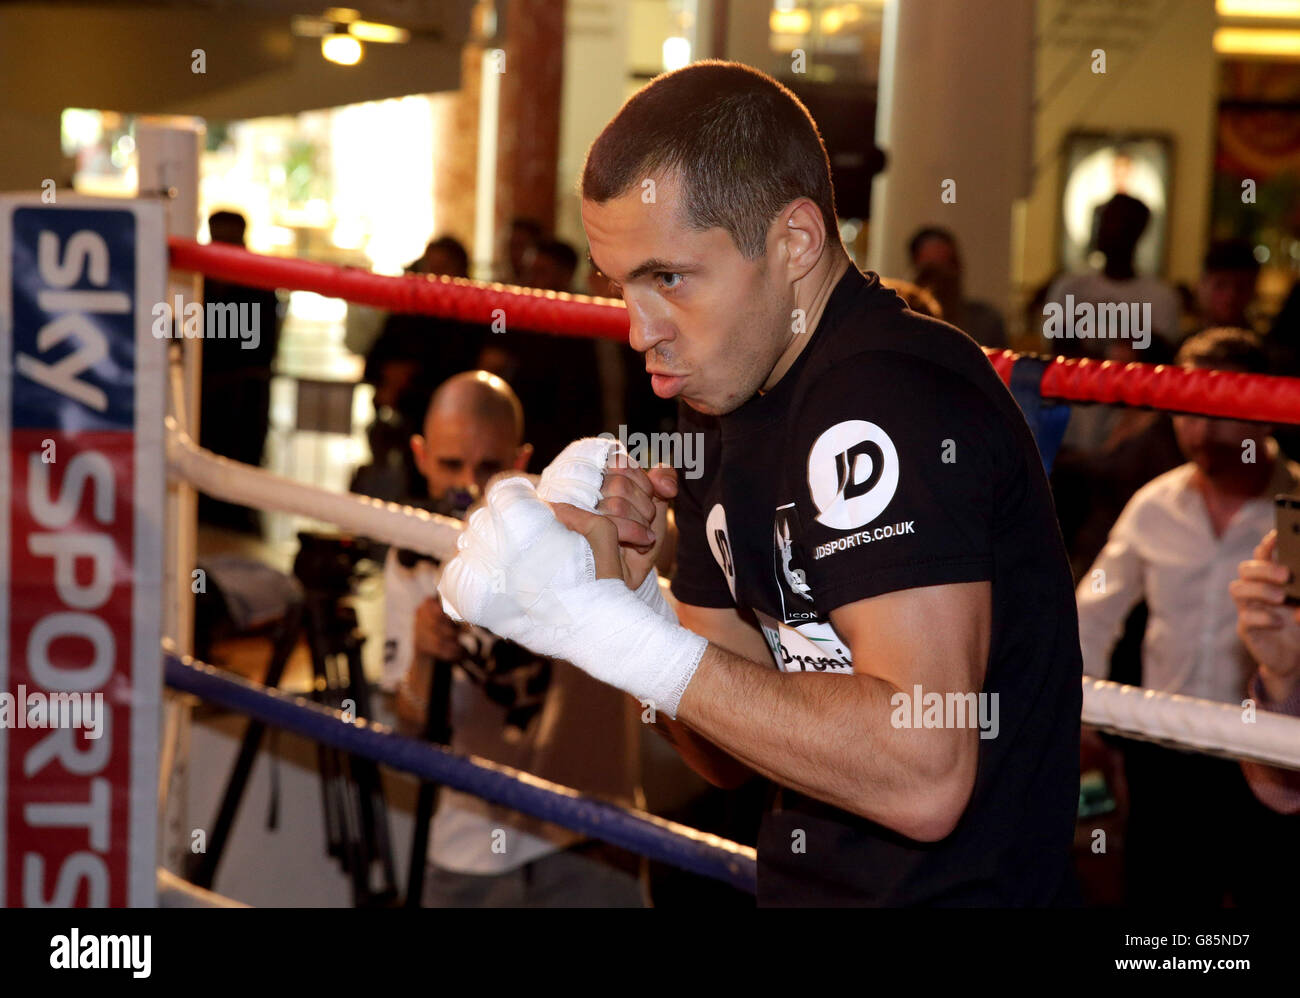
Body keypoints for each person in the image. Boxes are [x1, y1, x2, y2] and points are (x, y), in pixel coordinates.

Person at [439, 60, 1083, 906]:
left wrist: (604, 633)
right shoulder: (719, 402)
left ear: (795, 242)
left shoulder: (891, 397)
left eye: (668, 278)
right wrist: (637, 605)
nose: (641, 333)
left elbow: (925, 776)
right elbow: (724, 748)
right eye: (623, 285)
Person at [384, 370, 645, 906]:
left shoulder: (575, 524)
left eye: (488, 467)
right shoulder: (410, 551)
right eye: (451, 465)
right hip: (468, 850)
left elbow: (670, 566)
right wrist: (424, 657)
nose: (468, 486)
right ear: (420, 455)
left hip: (588, 832)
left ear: (521, 463)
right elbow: (408, 728)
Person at [1075, 327, 1300, 907]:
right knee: (1160, 904)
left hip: (1274, 755)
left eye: (1217, 411)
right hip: (1165, 752)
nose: (1198, 430)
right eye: (1184, 411)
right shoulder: (1155, 503)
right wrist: (1085, 721)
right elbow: (1093, 613)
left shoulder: (1296, 509)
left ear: (1264, 414)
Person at [357, 236, 485, 502]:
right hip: (408, 422)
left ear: (461, 270)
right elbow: (376, 360)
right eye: (432, 266)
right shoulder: (410, 309)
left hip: (458, 423)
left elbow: (478, 365)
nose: (437, 274)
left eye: (445, 266)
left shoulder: (478, 311)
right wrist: (389, 380)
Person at [199, 210, 283, 533]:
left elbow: (261, 343)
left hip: (241, 392)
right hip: (209, 389)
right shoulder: (199, 276)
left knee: (239, 461)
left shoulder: (256, 279)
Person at [906, 227, 1001, 346]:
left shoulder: (985, 321)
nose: (943, 277)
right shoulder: (900, 323)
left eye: (949, 264)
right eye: (932, 269)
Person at [1195, 239, 1259, 333]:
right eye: (1220, 285)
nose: (1231, 295)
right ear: (1202, 285)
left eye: (1241, 287)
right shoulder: (1184, 345)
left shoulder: (1262, 345)